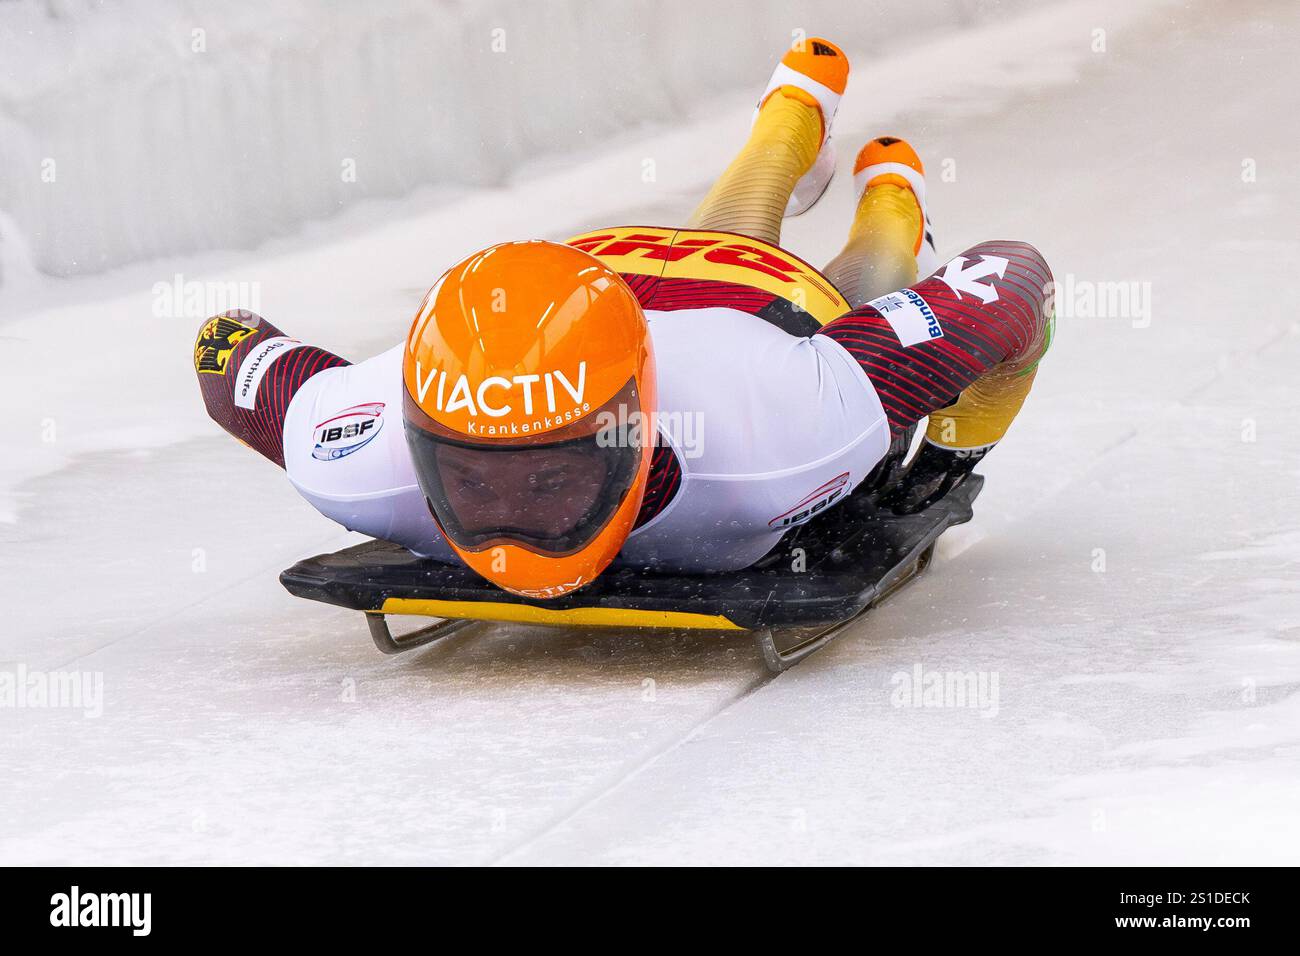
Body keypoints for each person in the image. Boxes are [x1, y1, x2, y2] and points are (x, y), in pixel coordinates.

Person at [195, 37, 1053, 600]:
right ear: (414, 433)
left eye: (552, 477)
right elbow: (227, 351)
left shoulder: (784, 426)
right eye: (470, 476)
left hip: (760, 317)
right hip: (591, 279)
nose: (512, 514)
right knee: (749, 233)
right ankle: (803, 114)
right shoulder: (355, 450)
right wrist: (941, 460)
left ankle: (891, 196)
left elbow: (1013, 284)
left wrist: (937, 462)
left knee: (871, 275)